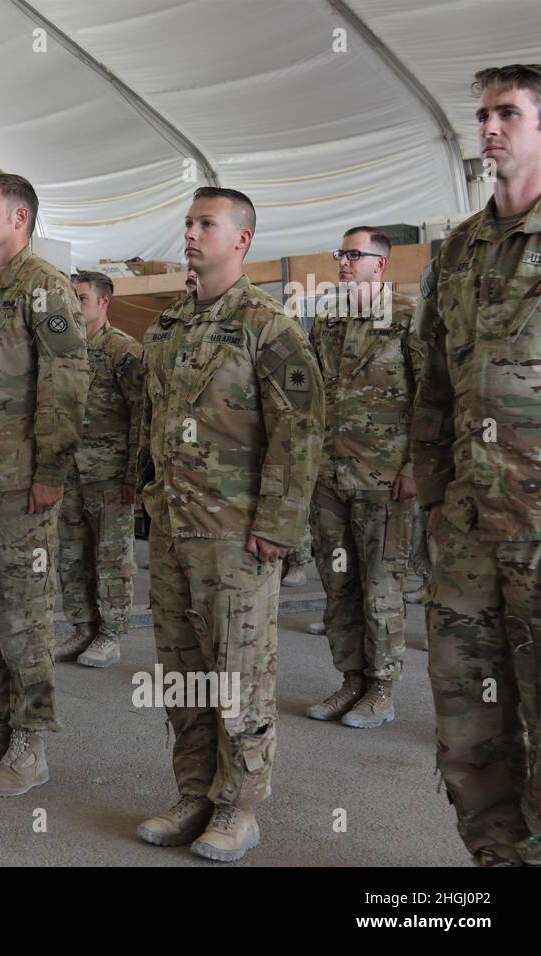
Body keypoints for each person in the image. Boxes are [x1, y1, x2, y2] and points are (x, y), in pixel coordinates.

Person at [135, 186, 323, 861]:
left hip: (235, 532)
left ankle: (239, 807)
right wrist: (145, 497)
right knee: (183, 672)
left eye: (205, 224)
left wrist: (278, 523)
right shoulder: (168, 325)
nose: (190, 234)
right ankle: (193, 792)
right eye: (187, 223)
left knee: (238, 674)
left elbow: (300, 432)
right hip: (173, 525)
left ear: (241, 239)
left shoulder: (270, 327)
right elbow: (150, 419)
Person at [413, 64, 541, 867]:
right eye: (483, 114)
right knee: (468, 723)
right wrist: (432, 498)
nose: (489, 128)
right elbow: (430, 382)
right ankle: (498, 863)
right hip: (467, 532)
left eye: (509, 114)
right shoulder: (459, 249)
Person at [0, 173, 90, 797]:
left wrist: (51, 472)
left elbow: (67, 380)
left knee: (22, 618)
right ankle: (2, 728)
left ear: (20, 218)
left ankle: (32, 744)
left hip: (20, 485)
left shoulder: (45, 287)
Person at [305, 227, 423, 729]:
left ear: (381, 263)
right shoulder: (327, 319)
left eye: (355, 254)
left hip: (383, 478)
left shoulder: (408, 319)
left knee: (380, 585)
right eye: (341, 253)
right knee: (338, 582)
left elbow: (430, 395)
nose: (344, 261)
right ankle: (351, 679)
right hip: (329, 475)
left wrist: (417, 465)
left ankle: (382, 688)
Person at [52, 270, 141, 669]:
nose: (74, 307)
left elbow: (143, 415)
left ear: (104, 302)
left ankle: (111, 632)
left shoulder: (123, 350)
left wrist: (134, 476)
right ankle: (82, 626)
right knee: (70, 555)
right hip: (69, 472)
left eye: (82, 299)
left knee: (111, 557)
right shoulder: (61, 349)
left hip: (109, 474)